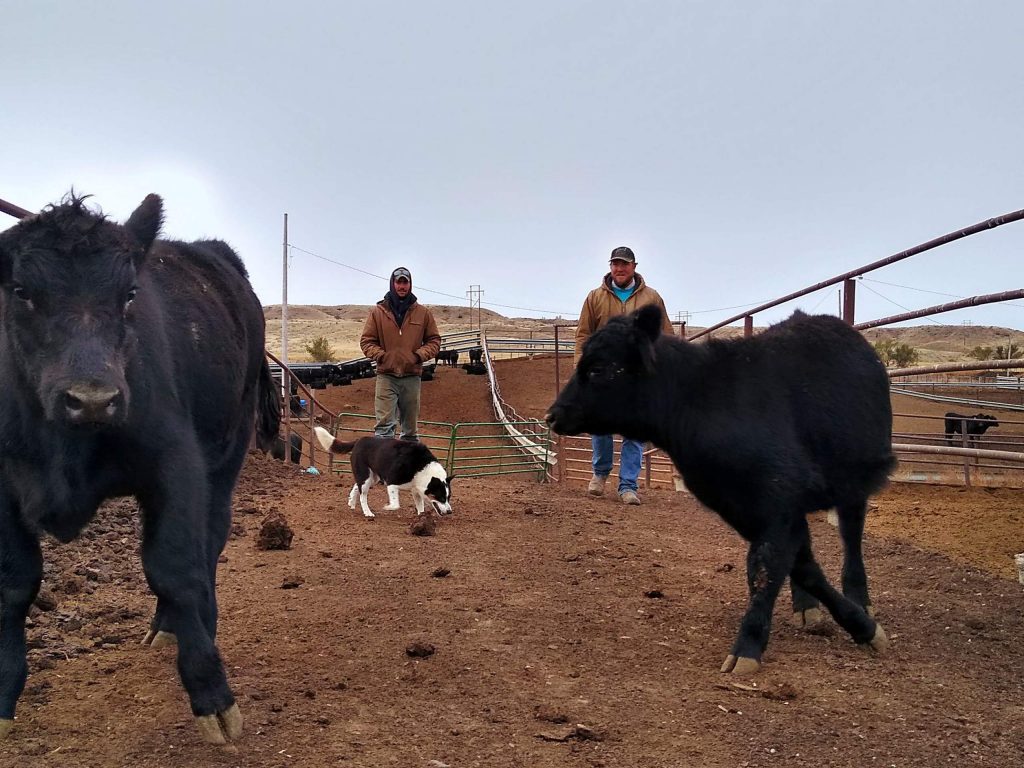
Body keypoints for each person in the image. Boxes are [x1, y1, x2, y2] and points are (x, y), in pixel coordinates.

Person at [575, 246, 673, 505]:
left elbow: (666, 335)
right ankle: (600, 473)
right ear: (610, 267)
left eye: (624, 264)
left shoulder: (652, 298)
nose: (619, 269)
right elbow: (584, 334)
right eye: (615, 264)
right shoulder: (594, 297)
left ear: (634, 267)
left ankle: (628, 486)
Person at [360, 267, 442, 441]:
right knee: (383, 428)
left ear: (410, 284)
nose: (402, 286)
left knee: (410, 430)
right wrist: (382, 356)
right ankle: (384, 467)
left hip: (411, 377)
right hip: (386, 376)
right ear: (393, 284)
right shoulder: (377, 313)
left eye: (406, 282)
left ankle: (407, 467)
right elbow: (367, 341)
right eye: (399, 282)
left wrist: (418, 355)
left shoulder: (423, 313)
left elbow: (434, 341)